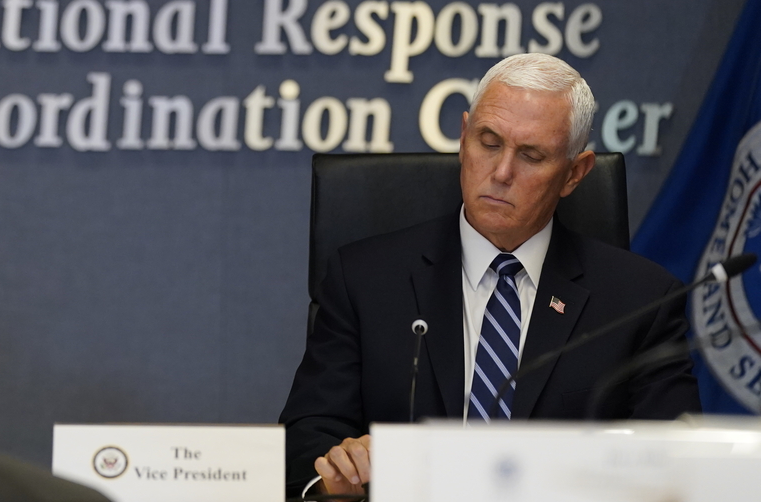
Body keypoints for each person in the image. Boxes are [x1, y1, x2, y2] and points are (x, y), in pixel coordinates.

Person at [279, 53, 699, 498]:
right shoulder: (365, 278)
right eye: (489, 142)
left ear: (574, 174)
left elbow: (674, 468)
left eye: (532, 155)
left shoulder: (641, 302)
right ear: (463, 139)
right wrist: (336, 473)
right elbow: (309, 433)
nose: (501, 173)